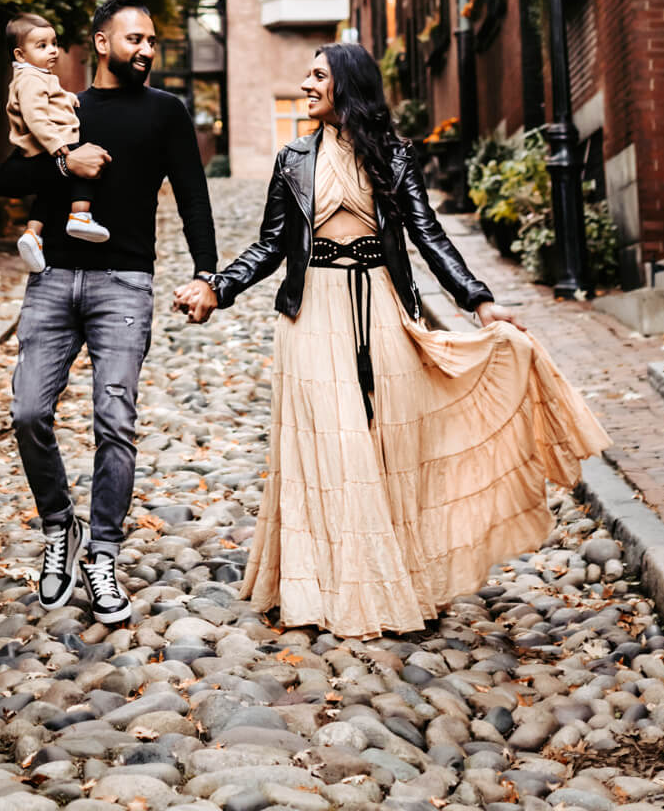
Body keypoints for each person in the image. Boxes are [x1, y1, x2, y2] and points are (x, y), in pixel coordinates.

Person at [174, 42, 609, 639]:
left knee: (385, 444)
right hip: (311, 314)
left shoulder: (395, 157)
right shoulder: (293, 159)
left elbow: (429, 236)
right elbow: (272, 245)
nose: (305, 84)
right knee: (335, 445)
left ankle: (392, 576)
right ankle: (325, 587)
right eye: (307, 74)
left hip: (381, 303)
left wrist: (479, 302)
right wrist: (217, 288)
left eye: (317, 75)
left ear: (347, 86)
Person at [0, 0, 219, 627]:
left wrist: (207, 273)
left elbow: (194, 195)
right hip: (53, 280)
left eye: (152, 40)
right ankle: (58, 524)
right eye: (134, 39)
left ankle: (102, 552)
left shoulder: (166, 112)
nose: (146, 50)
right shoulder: (64, 107)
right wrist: (65, 159)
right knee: (29, 411)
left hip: (125, 282)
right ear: (100, 43)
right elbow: (6, 181)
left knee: (114, 419)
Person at [5, 12, 109, 271]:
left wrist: (66, 97)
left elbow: (49, 95)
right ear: (20, 55)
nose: (52, 50)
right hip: (49, 143)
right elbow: (35, 116)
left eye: (53, 43)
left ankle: (32, 234)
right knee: (84, 168)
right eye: (42, 46)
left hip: (44, 146)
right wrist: (56, 145)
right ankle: (80, 216)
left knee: (49, 194)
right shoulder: (29, 79)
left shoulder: (36, 75)